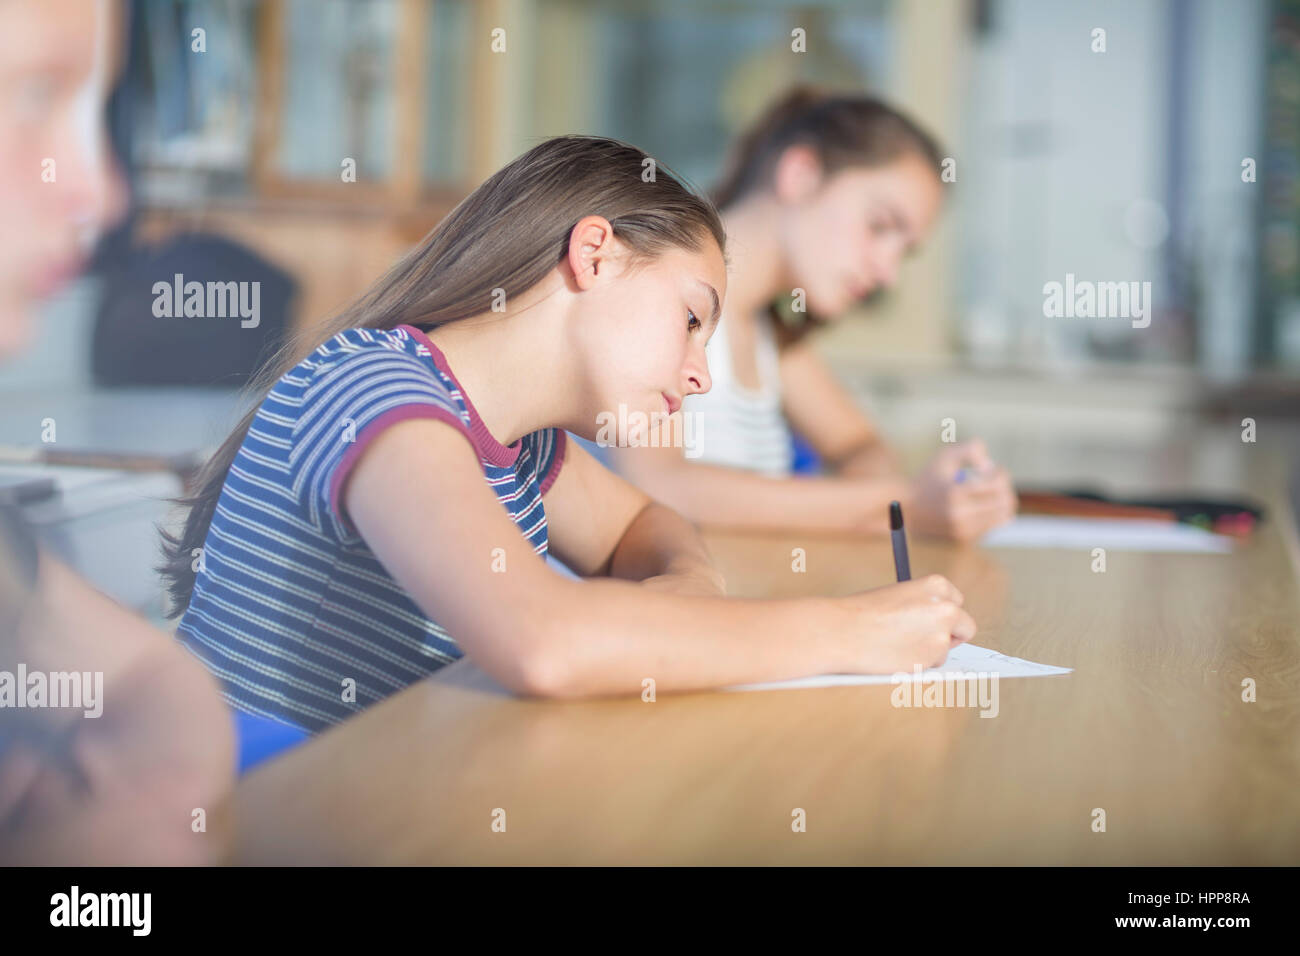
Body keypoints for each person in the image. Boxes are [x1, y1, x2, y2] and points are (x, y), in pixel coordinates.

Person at [616, 88, 1018, 541]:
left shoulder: (770, 335)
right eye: (880, 226)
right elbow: (662, 486)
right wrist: (899, 502)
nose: (887, 273)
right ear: (801, 175)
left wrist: (896, 499)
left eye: (904, 252)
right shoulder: (666, 295)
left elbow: (861, 447)